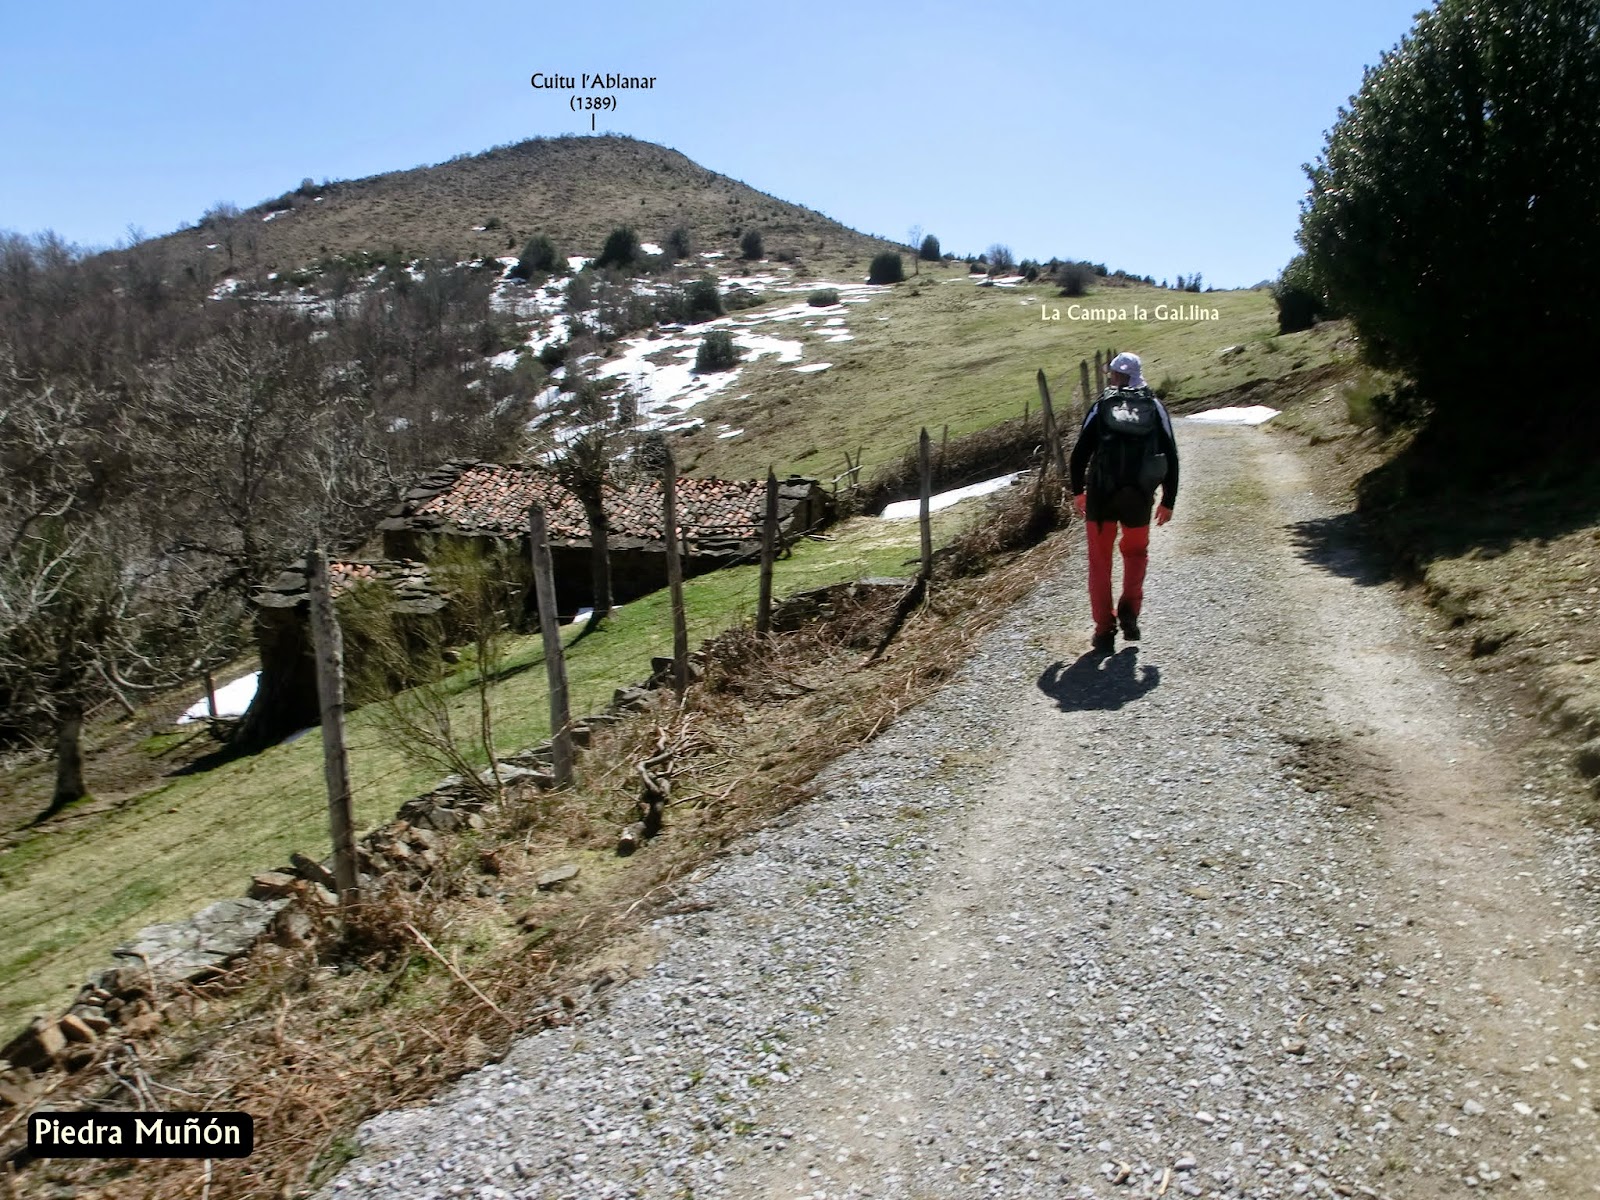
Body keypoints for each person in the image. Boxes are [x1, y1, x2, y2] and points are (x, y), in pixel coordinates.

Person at [1068, 351, 1180, 653]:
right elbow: (1170, 455)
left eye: (1112, 373)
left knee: (1100, 564)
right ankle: (1129, 612)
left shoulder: (1102, 405)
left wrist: (1079, 491)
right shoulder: (1154, 407)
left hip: (1101, 497)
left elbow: (1079, 454)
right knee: (1135, 554)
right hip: (1139, 499)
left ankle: (1104, 630)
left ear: (1117, 376)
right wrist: (1168, 500)